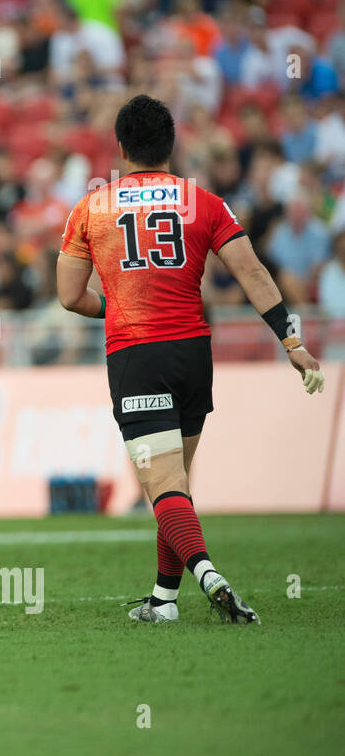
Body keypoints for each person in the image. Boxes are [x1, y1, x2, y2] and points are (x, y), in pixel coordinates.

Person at [57, 94, 325, 626]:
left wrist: (113, 307)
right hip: (193, 354)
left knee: (162, 485)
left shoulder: (93, 206)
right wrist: (291, 343)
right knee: (175, 481)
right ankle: (163, 599)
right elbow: (252, 272)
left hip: (136, 352)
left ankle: (208, 575)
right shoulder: (203, 201)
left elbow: (69, 296)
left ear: (121, 146)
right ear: (171, 146)